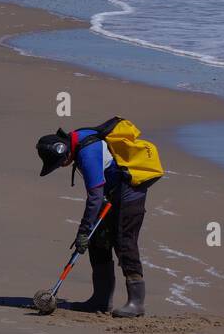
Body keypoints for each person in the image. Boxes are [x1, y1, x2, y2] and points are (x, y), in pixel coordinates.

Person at [35, 123, 155, 317]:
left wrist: (83, 231)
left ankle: (136, 303)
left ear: (64, 152)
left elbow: (94, 197)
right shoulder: (77, 139)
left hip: (130, 193)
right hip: (112, 193)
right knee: (97, 240)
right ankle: (101, 300)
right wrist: (87, 233)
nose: (62, 166)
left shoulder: (87, 153)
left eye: (59, 164)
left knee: (124, 242)